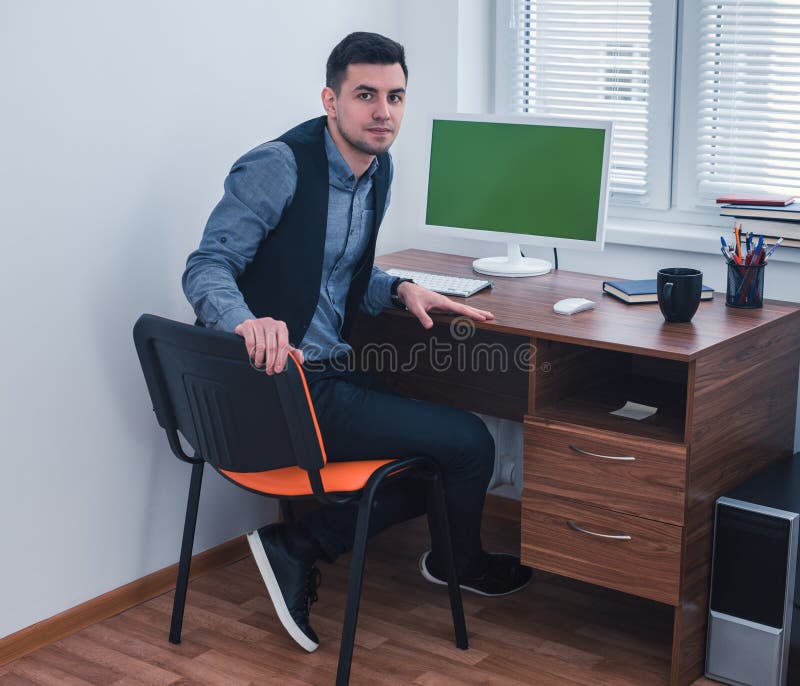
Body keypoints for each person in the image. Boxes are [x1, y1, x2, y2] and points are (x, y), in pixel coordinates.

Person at [182, 31, 532, 653]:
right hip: (284, 387)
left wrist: (401, 290)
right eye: (366, 95)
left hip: (330, 374)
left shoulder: (376, 170)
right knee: (470, 442)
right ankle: (310, 546)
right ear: (330, 99)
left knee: (440, 452)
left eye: (395, 97)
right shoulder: (279, 166)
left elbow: (340, 273)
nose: (383, 112)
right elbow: (207, 265)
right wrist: (246, 323)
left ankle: (337, 546)